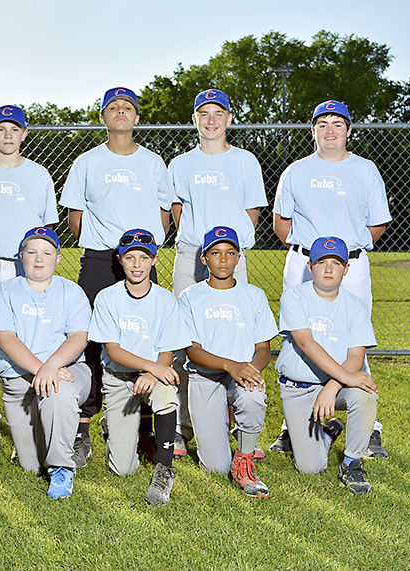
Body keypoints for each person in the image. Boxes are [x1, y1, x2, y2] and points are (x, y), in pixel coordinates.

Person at [60, 87, 176, 466]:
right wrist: (101, 246)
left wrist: (143, 246)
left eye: (128, 107)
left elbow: (165, 212)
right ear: (103, 117)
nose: (121, 112)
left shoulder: (154, 162)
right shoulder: (87, 162)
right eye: (113, 107)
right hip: (100, 257)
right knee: (95, 342)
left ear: (137, 116)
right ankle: (83, 424)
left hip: (140, 256)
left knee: (145, 332)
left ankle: (142, 422)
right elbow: (75, 217)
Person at [272, 100, 391, 458]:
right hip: (304, 263)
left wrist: (348, 251)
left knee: (354, 339)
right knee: (297, 340)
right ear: (313, 131)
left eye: (338, 123)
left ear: (349, 130)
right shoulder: (296, 170)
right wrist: (311, 256)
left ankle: (367, 428)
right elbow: (282, 222)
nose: (330, 130)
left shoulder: (365, 170)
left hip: (350, 266)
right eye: (322, 123)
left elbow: (378, 223)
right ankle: (292, 425)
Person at [168, 88, 268, 457]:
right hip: (193, 251)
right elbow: (178, 210)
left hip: (230, 254)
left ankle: (237, 418)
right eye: (203, 114)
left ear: (229, 118)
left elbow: (252, 211)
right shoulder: (180, 163)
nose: (211, 120)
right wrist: (196, 242)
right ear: (195, 120)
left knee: (234, 333)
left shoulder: (245, 161)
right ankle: (182, 425)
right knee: (184, 339)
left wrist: (232, 248)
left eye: (218, 113)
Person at [0, 104, 59, 407]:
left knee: (28, 337)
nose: (8, 135)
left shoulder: (38, 174)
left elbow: (47, 226)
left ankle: (28, 420)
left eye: (14, 129)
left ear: (24, 134)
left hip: (27, 266)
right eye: (1, 129)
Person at [0, 227, 91, 499]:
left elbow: (79, 338)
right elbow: (5, 337)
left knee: (58, 392)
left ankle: (62, 467)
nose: (39, 258)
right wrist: (41, 369)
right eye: (31, 252)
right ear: (21, 256)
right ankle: (45, 439)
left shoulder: (72, 292)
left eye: (47, 253)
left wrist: (52, 366)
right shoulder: (4, 291)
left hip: (67, 370)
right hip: (20, 376)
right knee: (31, 465)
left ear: (58, 258)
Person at [88, 229, 190, 505]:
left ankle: (165, 467)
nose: (136, 265)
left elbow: (167, 352)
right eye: (130, 257)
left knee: (167, 392)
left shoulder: (166, 300)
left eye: (143, 258)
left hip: (153, 376)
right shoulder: (107, 298)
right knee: (123, 469)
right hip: (119, 377)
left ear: (154, 260)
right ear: (119, 260)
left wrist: (152, 372)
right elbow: (114, 351)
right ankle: (117, 425)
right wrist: (151, 368)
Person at [177, 227, 277, 498]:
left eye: (230, 253)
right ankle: (228, 439)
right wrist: (232, 366)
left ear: (238, 257)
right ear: (204, 259)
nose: (223, 259)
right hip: (204, 377)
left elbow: (263, 347)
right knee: (216, 467)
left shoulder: (253, 295)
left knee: (253, 393)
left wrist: (251, 371)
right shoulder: (190, 296)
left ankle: (245, 458)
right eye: (216, 253)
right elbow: (192, 351)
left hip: (241, 374)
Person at [275, 236, 379, 495]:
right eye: (322, 262)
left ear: (347, 269)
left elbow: (356, 356)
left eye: (336, 263)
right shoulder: (294, 297)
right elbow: (306, 344)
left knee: (365, 393)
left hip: (334, 386)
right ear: (310, 267)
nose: (329, 269)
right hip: (298, 388)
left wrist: (332, 387)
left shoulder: (355, 307)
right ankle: (330, 432)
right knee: (311, 467)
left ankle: (352, 461)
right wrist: (339, 380)